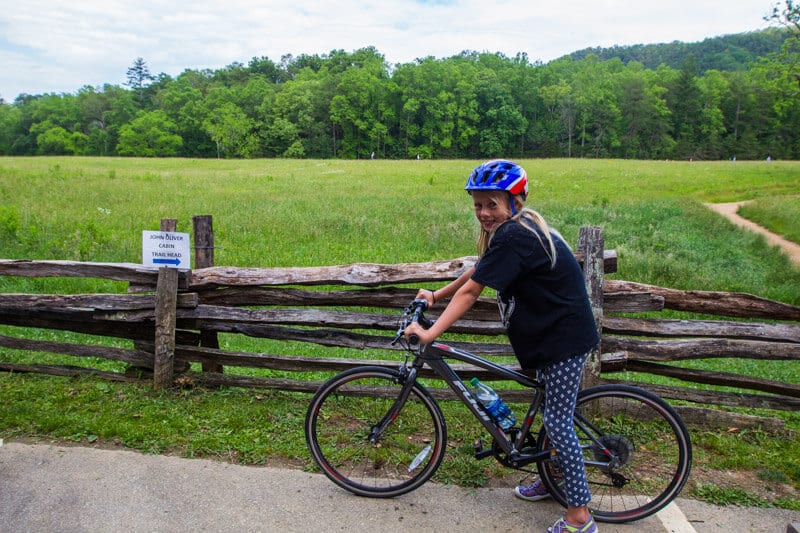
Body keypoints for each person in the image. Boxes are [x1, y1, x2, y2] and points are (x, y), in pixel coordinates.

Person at [404, 159, 600, 533]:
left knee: (558, 423)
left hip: (564, 339)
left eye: (491, 204)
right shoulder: (515, 230)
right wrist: (436, 294)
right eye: (478, 205)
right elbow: (480, 270)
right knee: (552, 418)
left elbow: (474, 290)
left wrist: (431, 334)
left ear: (515, 201)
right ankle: (552, 477)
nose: (483, 213)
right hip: (550, 335)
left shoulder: (517, 233)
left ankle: (580, 519)